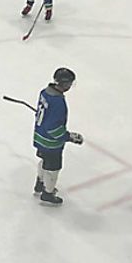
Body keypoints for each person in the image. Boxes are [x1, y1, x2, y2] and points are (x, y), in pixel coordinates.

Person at [32, 68, 84, 206]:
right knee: (53, 168)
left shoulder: (44, 92)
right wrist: (69, 137)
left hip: (39, 135)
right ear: (65, 83)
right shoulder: (58, 103)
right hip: (50, 143)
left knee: (44, 160)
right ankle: (48, 193)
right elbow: (53, 129)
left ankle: (40, 183)